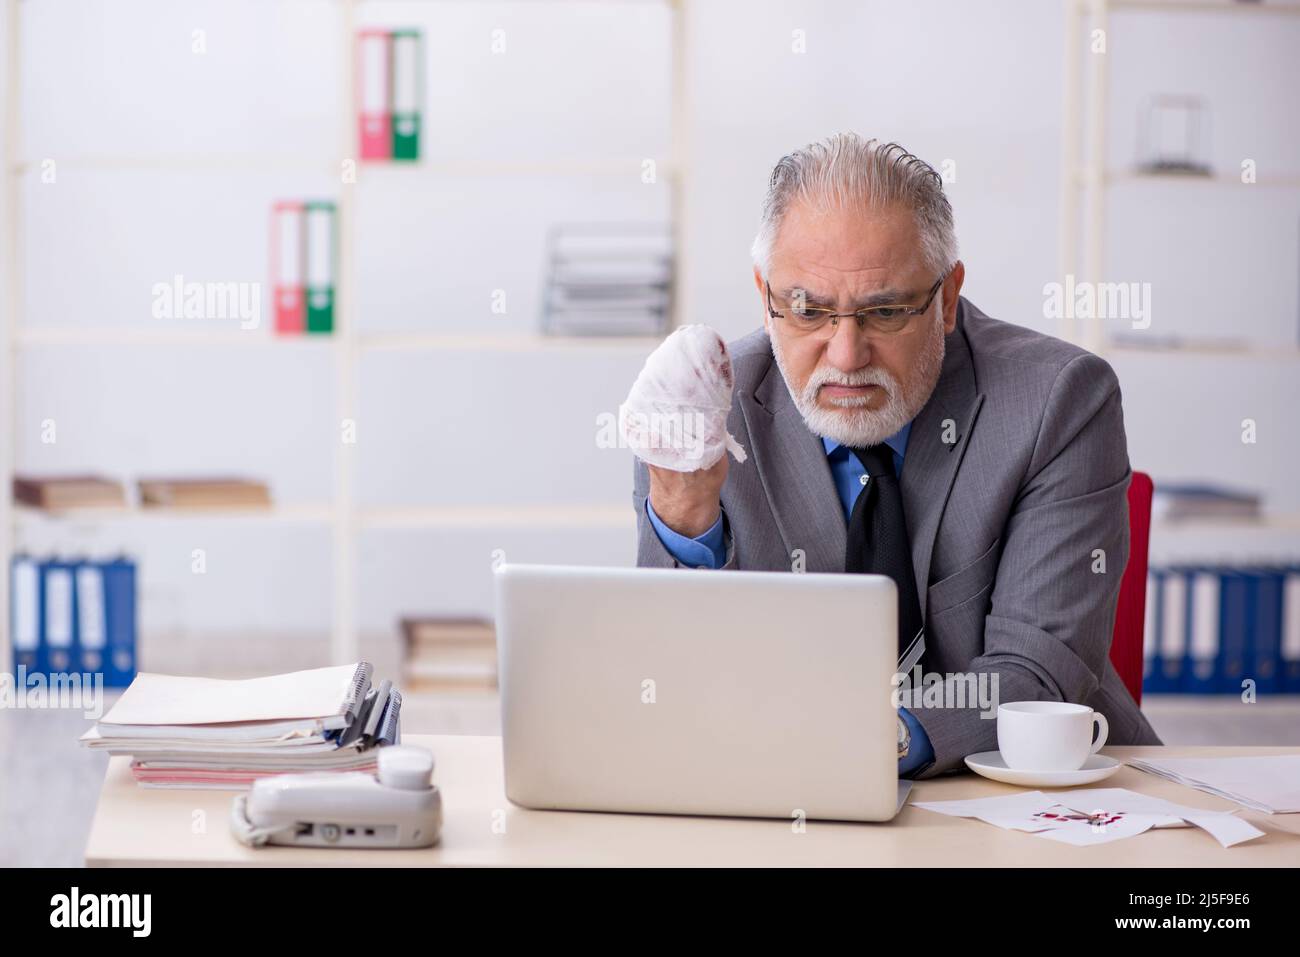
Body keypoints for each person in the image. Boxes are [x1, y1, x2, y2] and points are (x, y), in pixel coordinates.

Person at [631, 132, 1161, 778]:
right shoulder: (700, 411)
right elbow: (666, 685)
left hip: (1024, 798)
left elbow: (1035, 673)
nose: (846, 355)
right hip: (782, 798)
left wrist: (866, 746)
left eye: (883, 312)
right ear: (764, 294)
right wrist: (682, 510)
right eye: (807, 309)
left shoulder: (1060, 401)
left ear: (945, 299)